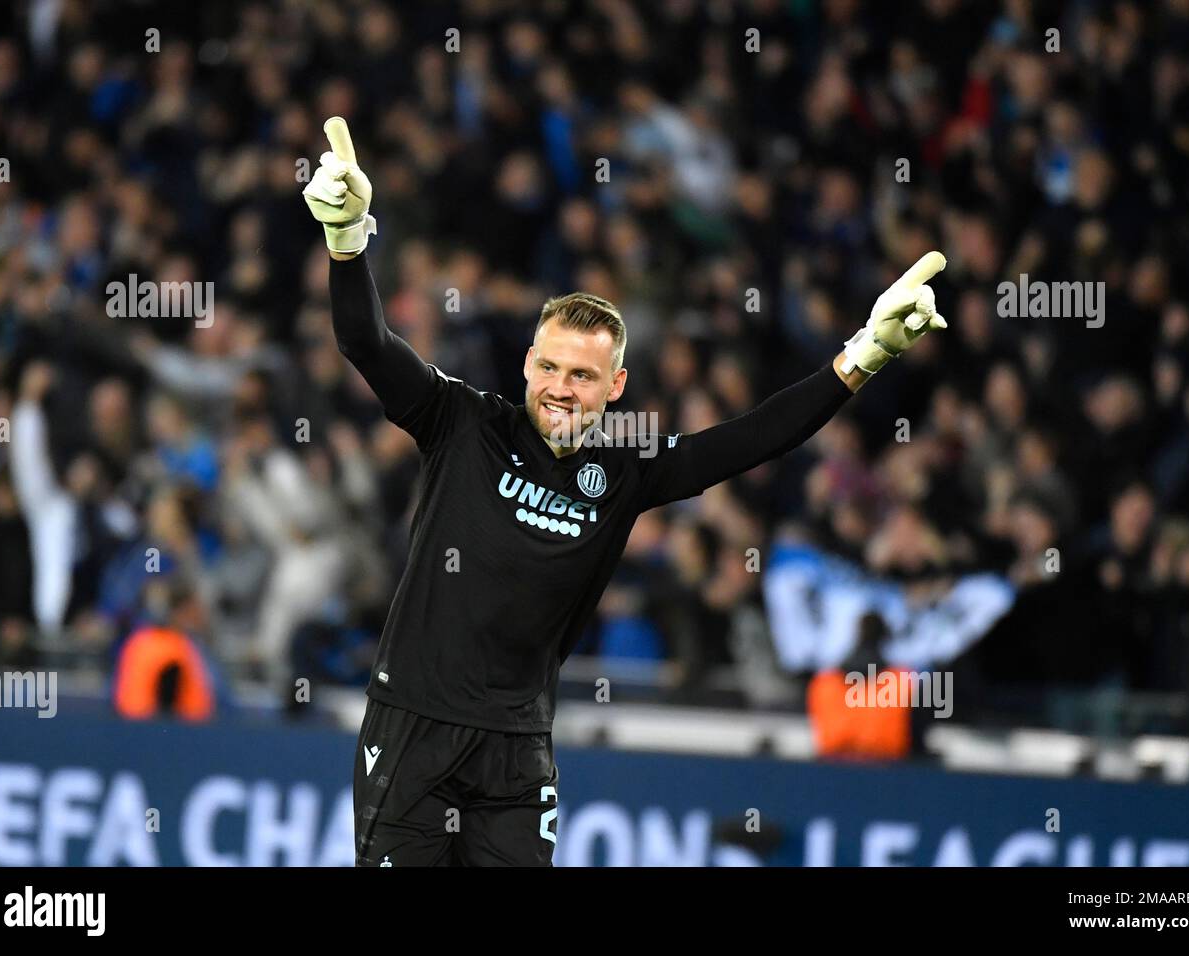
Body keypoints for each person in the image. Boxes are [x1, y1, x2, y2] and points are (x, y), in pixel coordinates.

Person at [302, 117, 949, 867]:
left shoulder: (626, 471)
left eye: (582, 376)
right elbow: (366, 343)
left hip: (517, 753)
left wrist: (860, 357)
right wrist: (347, 245)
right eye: (549, 368)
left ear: (616, 387)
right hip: (413, 729)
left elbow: (752, 437)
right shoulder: (459, 420)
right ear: (526, 366)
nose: (561, 390)